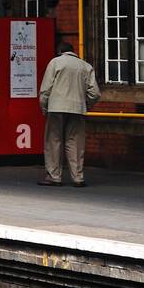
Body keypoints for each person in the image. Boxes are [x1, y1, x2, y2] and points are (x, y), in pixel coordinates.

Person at [38, 42, 101, 187]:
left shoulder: (55, 63)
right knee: (76, 143)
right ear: (73, 52)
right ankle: (78, 177)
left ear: (60, 51)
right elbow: (95, 93)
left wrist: (44, 106)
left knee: (53, 141)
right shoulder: (85, 66)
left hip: (56, 107)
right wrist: (86, 104)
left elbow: (46, 89)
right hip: (77, 108)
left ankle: (54, 176)